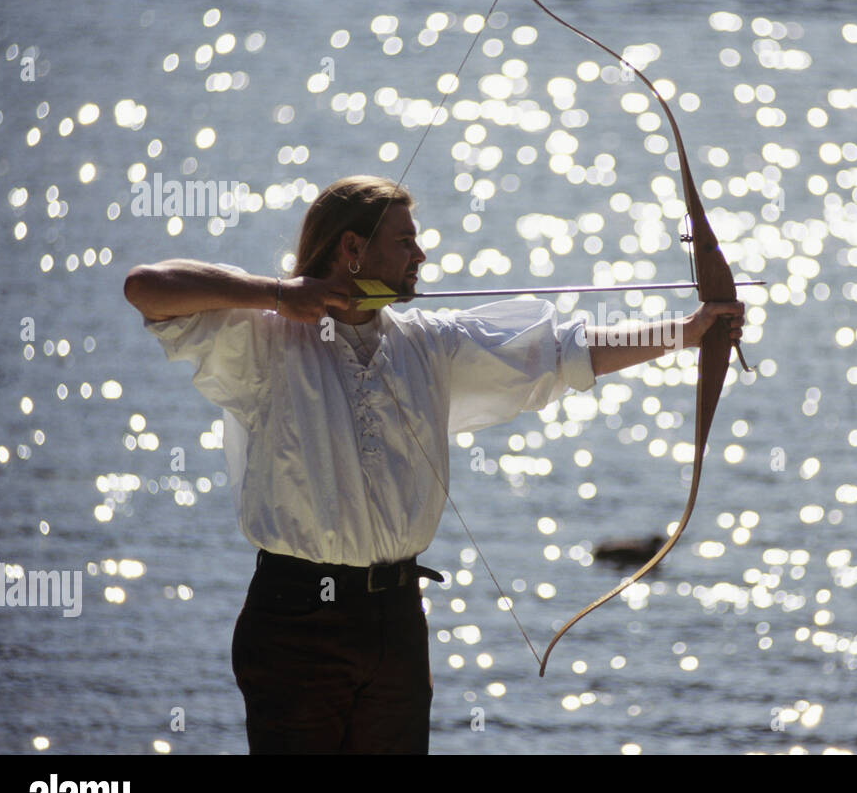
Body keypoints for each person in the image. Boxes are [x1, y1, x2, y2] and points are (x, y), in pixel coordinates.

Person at [123, 174, 743, 754]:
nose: (420, 256)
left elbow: (565, 352)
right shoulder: (264, 340)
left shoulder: (429, 344)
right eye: (405, 241)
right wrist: (280, 294)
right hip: (295, 621)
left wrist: (686, 333)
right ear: (351, 250)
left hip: (394, 620)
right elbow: (146, 287)